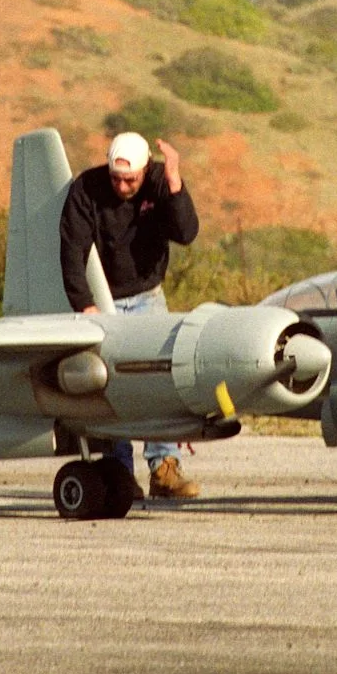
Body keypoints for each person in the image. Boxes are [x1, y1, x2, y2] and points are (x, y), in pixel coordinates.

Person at [59, 131, 202, 498]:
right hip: (103, 303)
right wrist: (85, 306)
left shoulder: (158, 182)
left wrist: (173, 181)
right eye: (116, 178)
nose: (122, 186)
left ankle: (164, 469)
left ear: (145, 171)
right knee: (107, 388)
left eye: (130, 179)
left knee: (159, 383)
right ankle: (118, 474)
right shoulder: (87, 189)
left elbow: (186, 232)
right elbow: (72, 251)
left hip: (148, 297)